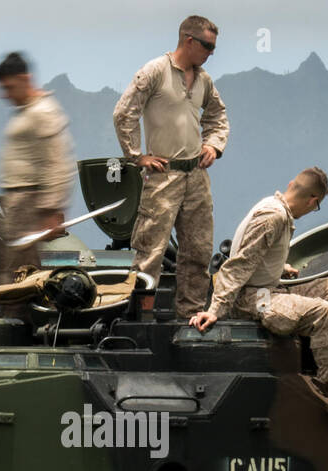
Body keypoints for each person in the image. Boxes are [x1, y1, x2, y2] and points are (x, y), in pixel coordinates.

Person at [189, 168, 328, 426]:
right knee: (323, 312)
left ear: (291, 185)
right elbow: (238, 265)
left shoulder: (277, 208)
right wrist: (216, 309)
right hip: (254, 297)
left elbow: (259, 254)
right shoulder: (272, 217)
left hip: (271, 286)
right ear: (313, 201)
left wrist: (280, 266)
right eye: (316, 207)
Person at [114, 15, 228, 320]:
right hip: (164, 175)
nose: (211, 52)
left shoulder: (203, 80)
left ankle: (190, 314)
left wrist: (213, 145)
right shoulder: (155, 71)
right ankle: (142, 317)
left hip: (197, 176)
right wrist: (137, 156)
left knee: (198, 250)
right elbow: (124, 113)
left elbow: (217, 116)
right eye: (207, 45)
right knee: (150, 250)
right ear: (188, 41)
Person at [0, 52, 76, 299]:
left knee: (23, 276)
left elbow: (58, 160)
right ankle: (13, 318)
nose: (6, 94)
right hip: (17, 204)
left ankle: (21, 324)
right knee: (10, 271)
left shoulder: (43, 111)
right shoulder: (25, 112)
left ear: (24, 78)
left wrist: (52, 209)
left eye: (9, 87)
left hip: (30, 204)